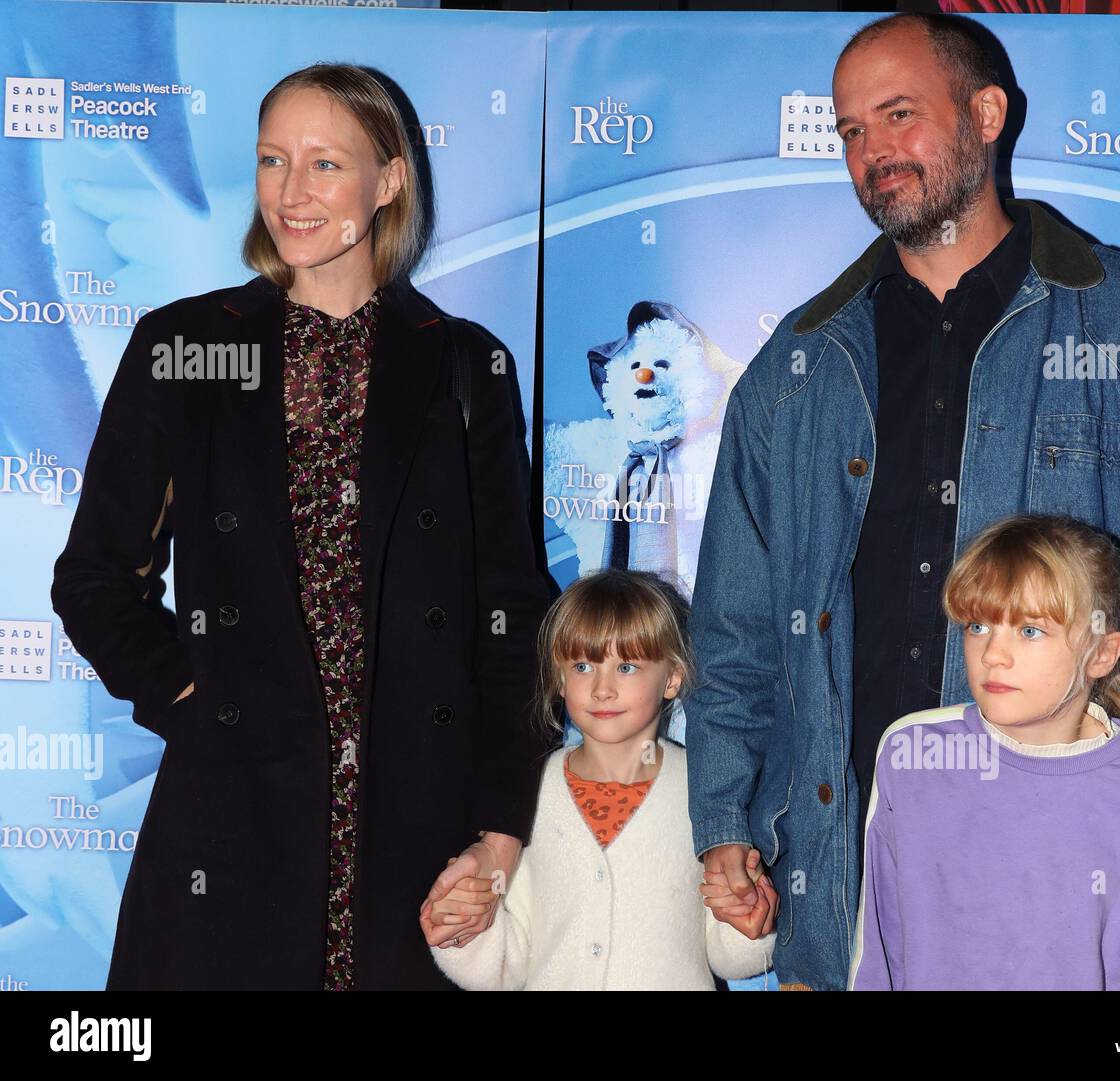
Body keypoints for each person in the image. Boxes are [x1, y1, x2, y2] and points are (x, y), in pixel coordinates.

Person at [687, 13, 1120, 990]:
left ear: (984, 114)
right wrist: (723, 825)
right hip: (845, 920)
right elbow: (733, 640)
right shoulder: (790, 377)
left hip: (1083, 923)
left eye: (898, 115)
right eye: (849, 130)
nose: (871, 152)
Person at [50, 63, 554, 990]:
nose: (291, 191)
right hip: (234, 804)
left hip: (414, 815)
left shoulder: (463, 365)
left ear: (389, 181)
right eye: (273, 160)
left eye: (325, 164)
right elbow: (93, 576)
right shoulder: (186, 348)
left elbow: (511, 613)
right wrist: (193, 701)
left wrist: (500, 827)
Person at [848, 514, 1120, 990]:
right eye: (977, 626)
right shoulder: (912, 755)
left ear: (1102, 654)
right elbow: (878, 949)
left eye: (1029, 631)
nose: (992, 655)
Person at [424, 569, 777, 990]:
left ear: (672, 678)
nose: (602, 689)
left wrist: (747, 914)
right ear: (559, 676)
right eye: (583, 665)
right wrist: (464, 928)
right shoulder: (528, 795)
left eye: (626, 666)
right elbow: (505, 965)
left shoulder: (707, 794)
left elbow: (730, 958)